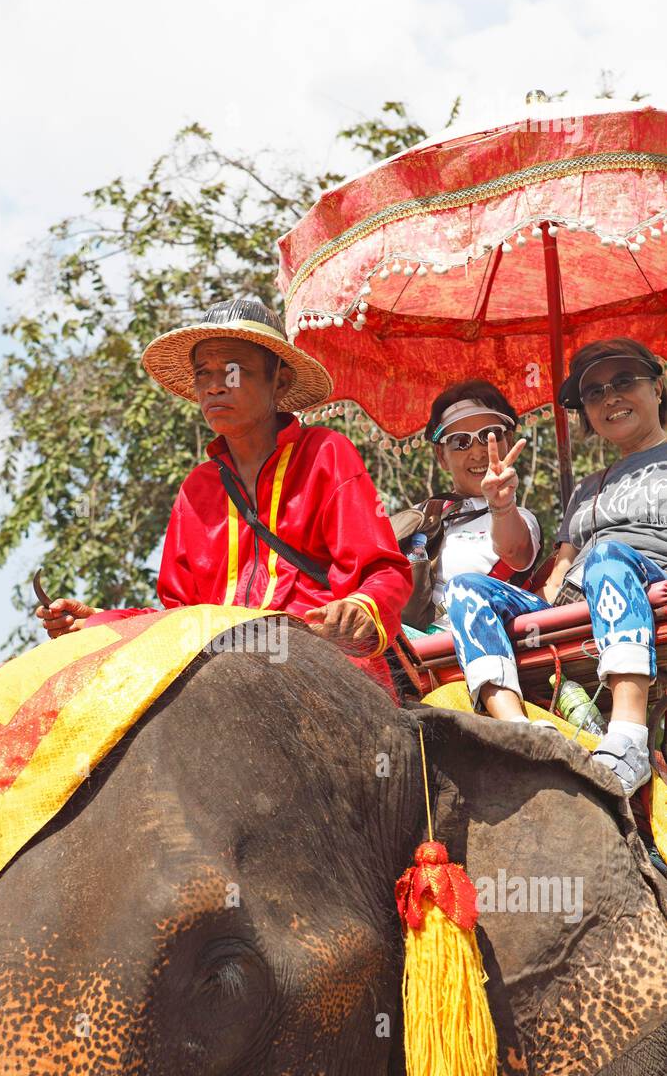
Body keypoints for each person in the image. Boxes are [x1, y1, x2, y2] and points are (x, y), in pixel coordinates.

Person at [38, 296, 412, 692]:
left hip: (318, 656)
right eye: (203, 374)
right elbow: (180, 618)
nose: (216, 385)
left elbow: (384, 573)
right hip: (218, 667)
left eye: (234, 371)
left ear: (279, 381)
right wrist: (101, 620)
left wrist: (359, 606)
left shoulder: (326, 453)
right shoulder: (197, 489)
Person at [442, 337, 667, 795]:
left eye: (624, 381)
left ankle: (628, 738)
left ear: (658, 388)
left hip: (646, 583)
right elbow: (561, 570)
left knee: (607, 555)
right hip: (580, 598)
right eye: (595, 392)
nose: (610, 397)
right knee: (466, 588)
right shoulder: (588, 488)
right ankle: (520, 732)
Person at [397, 381, 541, 634]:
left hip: (480, 636)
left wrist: (502, 506)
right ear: (442, 456)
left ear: (507, 441)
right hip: (409, 643)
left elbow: (514, 551)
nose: (477, 452)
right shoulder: (420, 514)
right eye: (460, 441)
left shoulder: (518, 517)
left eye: (489, 436)